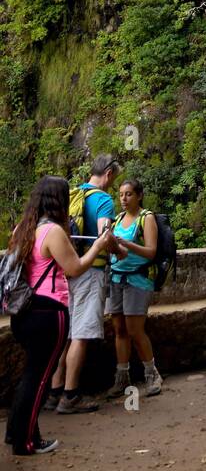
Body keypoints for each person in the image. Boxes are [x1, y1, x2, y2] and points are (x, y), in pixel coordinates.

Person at [5, 177, 114, 455]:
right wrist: (98, 247)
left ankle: (18, 432)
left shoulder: (23, 229)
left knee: (31, 374)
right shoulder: (52, 232)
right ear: (59, 201)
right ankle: (26, 442)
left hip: (23, 313)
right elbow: (74, 268)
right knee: (39, 379)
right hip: (48, 313)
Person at [47, 155, 120, 414]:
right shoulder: (103, 200)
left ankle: (55, 392)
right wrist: (118, 249)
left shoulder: (74, 194)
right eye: (114, 178)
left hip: (67, 271)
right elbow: (104, 235)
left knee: (67, 334)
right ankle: (71, 396)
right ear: (108, 174)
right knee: (81, 334)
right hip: (91, 270)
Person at [105, 179, 163, 400]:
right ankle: (122, 377)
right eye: (121, 194)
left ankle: (152, 374)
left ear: (139, 195)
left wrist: (126, 244)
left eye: (128, 194)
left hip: (138, 280)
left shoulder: (146, 218)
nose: (123, 198)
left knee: (134, 329)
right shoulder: (118, 219)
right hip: (116, 278)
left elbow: (151, 252)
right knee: (119, 329)